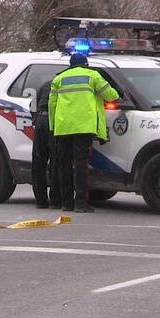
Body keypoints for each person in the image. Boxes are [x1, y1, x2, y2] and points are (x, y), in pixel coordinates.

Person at [48, 54, 119, 213]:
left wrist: (53, 127)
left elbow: (52, 105)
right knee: (80, 165)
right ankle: (80, 203)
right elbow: (111, 95)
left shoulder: (59, 79)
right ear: (85, 64)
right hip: (83, 126)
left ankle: (66, 203)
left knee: (64, 165)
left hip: (63, 127)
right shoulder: (92, 75)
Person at [31, 81, 51, 208]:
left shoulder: (46, 84)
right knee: (57, 163)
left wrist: (36, 119)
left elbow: (32, 105)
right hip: (55, 123)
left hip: (40, 121)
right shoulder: (64, 84)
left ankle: (41, 200)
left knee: (39, 163)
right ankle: (56, 200)